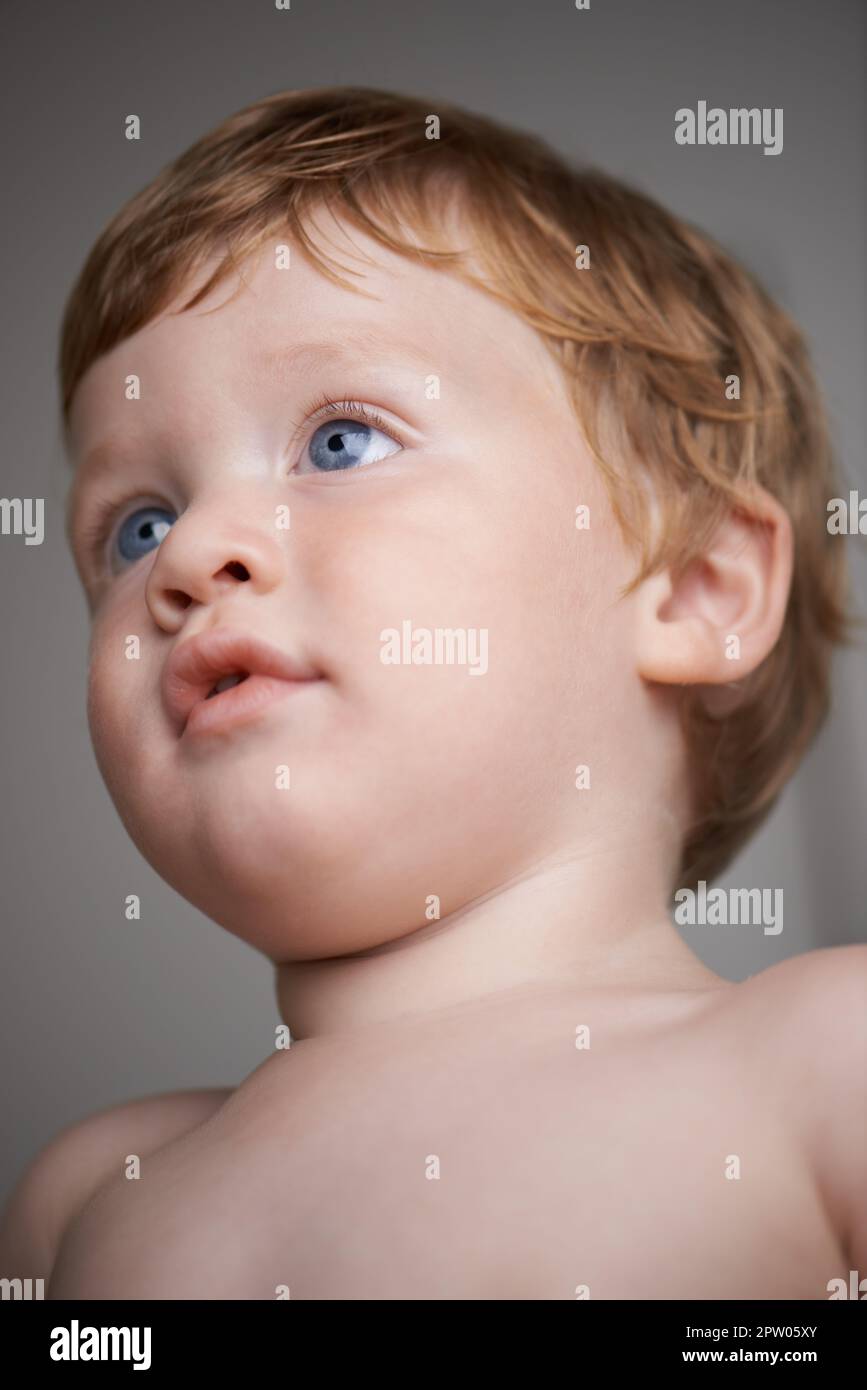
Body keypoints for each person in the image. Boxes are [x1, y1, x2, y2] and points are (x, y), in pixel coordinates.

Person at [1, 86, 863, 1299]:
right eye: (138, 524)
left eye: (340, 442)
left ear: (695, 588)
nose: (192, 558)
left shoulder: (827, 1064)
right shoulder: (86, 1196)